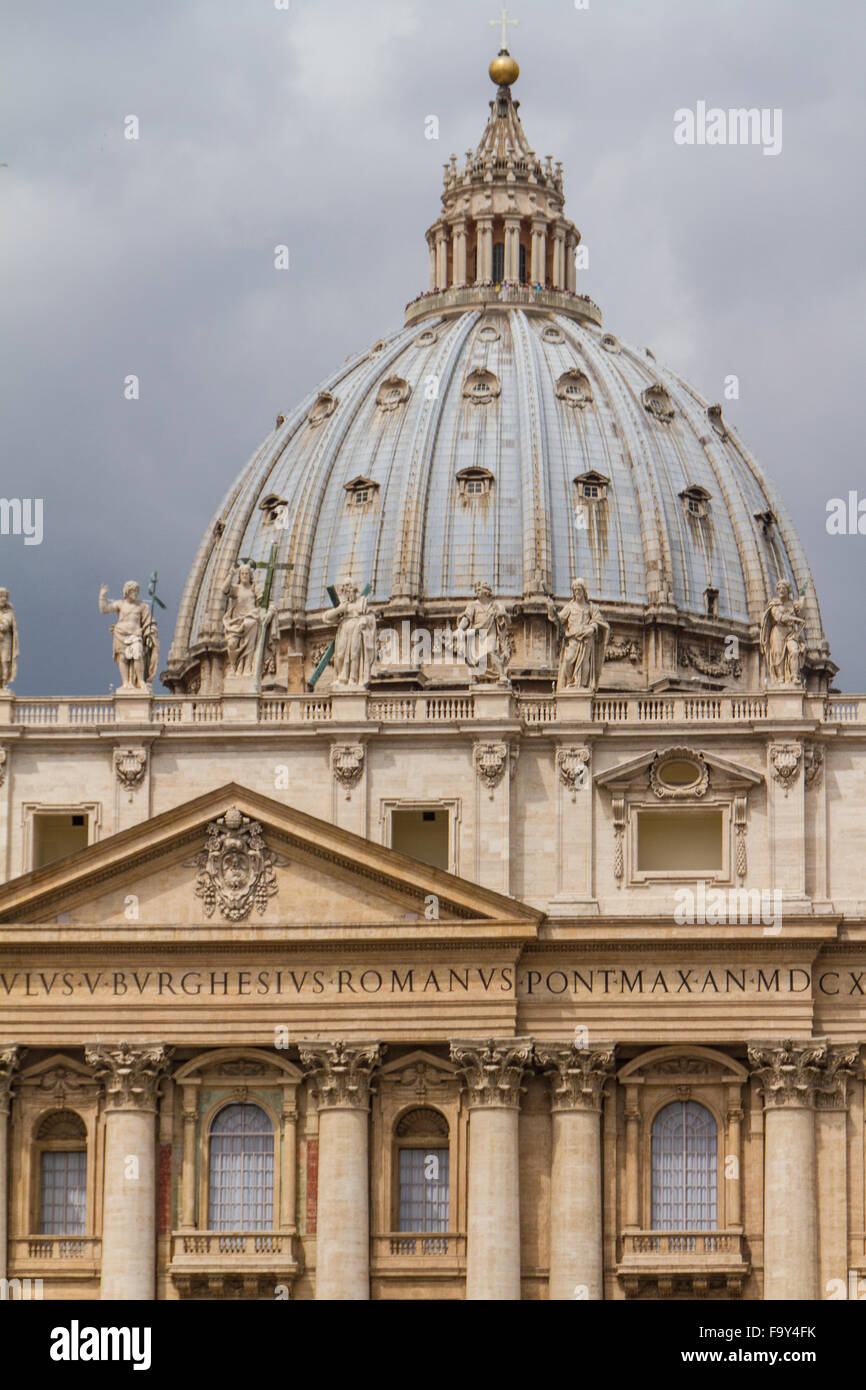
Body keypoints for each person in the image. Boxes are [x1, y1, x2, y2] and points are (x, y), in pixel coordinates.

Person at [548, 578, 609, 691]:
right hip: (572, 637)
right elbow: (559, 619)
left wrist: (592, 628)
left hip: (586, 637)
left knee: (585, 661)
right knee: (568, 659)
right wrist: (551, 609)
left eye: (579, 590)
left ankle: (582, 685)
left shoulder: (591, 607)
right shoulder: (569, 607)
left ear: (584, 591)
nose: (577, 592)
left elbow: (599, 621)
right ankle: (571, 682)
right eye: (575, 590)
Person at [98, 581, 158, 690]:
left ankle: (140, 681)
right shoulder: (120, 604)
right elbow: (104, 609)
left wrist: (150, 634)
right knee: (122, 658)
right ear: (127, 592)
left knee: (138, 655)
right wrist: (102, 596)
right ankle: (125, 683)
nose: (135, 593)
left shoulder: (143, 606)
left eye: (136, 591)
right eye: (133, 591)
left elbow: (149, 622)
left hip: (135, 634)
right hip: (120, 633)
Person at [456, 581, 512, 682]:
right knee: (476, 657)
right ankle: (475, 676)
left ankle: (501, 674)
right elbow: (466, 618)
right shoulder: (472, 605)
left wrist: (502, 615)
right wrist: (460, 628)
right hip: (477, 633)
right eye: (476, 590)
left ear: (486, 592)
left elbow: (507, 620)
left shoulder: (495, 605)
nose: (477, 591)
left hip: (491, 631)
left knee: (490, 652)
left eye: (479, 590)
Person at [325, 582, 377, 689]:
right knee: (340, 654)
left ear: (354, 590)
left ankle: (353, 678)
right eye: (345, 591)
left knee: (354, 654)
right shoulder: (343, 605)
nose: (347, 594)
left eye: (349, 591)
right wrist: (339, 610)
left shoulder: (362, 602)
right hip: (344, 629)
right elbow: (326, 618)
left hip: (357, 629)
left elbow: (371, 617)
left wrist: (363, 620)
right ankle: (341, 678)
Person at [760, 579, 807, 685]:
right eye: (779, 588)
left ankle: (794, 676)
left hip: (790, 634)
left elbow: (802, 614)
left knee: (794, 651)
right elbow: (778, 617)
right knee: (777, 654)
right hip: (778, 632)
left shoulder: (793, 605)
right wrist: (793, 619)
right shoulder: (774, 604)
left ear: (788, 590)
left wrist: (802, 599)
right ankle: (780, 678)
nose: (781, 590)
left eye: (783, 588)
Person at [0, 588, 18, 688]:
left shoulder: (9, 613)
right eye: (1, 597)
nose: (3, 599)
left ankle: (3, 685)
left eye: (5, 597)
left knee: (4, 662)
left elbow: (4, 626)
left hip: (5, 643)